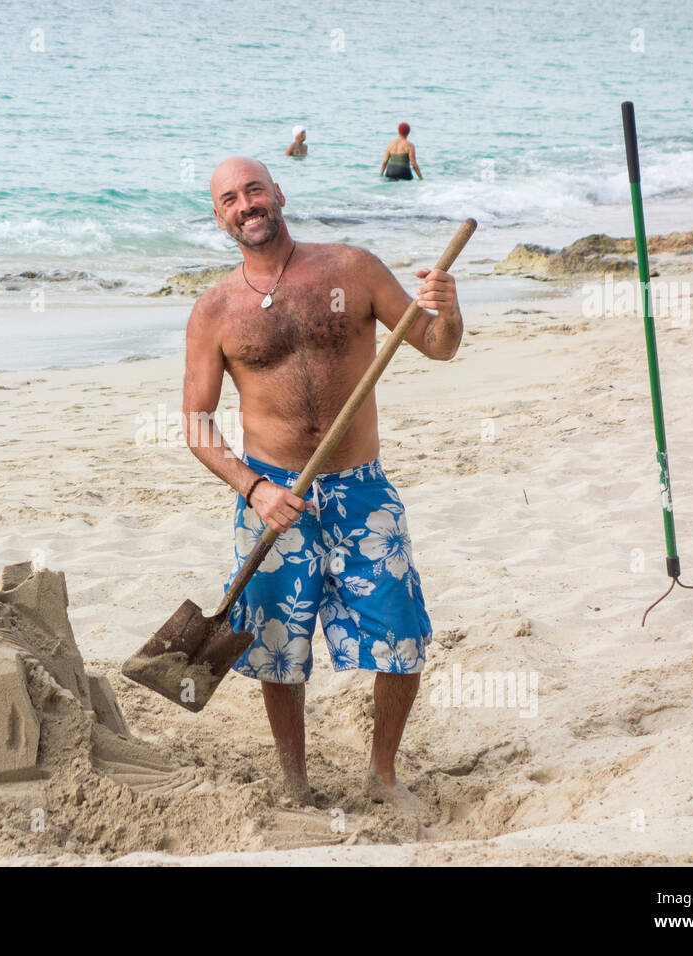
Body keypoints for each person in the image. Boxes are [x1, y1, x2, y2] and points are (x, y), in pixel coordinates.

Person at [182, 156, 463, 807]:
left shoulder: (352, 269)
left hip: (360, 490)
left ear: (277, 193)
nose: (246, 204)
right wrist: (254, 489)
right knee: (277, 645)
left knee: (401, 636)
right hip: (272, 497)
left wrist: (447, 311)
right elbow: (196, 424)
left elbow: (437, 345)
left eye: (255, 189)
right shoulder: (215, 310)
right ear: (220, 216)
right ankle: (293, 782)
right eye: (230, 198)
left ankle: (383, 775)